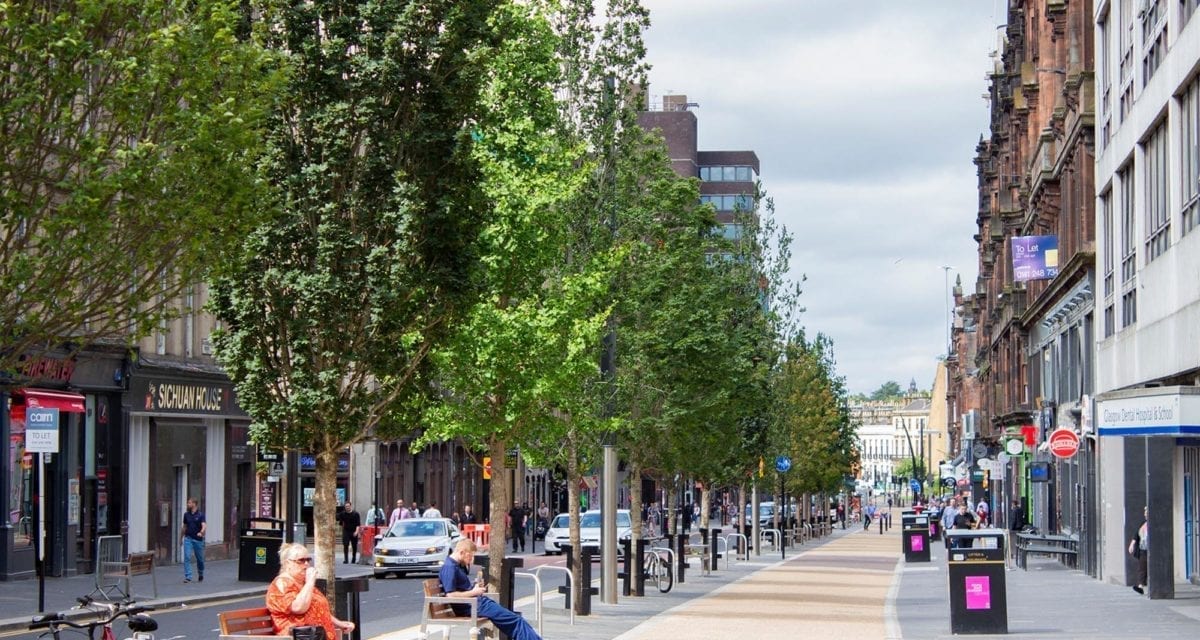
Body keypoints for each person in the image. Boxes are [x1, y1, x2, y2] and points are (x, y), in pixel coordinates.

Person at [440, 539, 541, 640]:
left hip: (477, 604)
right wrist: (474, 592)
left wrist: (475, 587)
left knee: (516, 620)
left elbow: (460, 589)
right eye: (470, 556)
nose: (471, 560)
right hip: (474, 606)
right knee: (516, 621)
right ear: (462, 552)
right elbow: (450, 595)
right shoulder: (450, 567)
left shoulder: (456, 566)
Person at [267, 543, 355, 639]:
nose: (306, 564)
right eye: (301, 560)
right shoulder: (282, 583)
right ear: (288, 563)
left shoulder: (303, 583)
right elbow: (298, 608)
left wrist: (339, 623)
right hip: (299, 636)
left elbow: (319, 609)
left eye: (308, 560)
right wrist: (310, 582)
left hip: (317, 635)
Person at [181, 497, 206, 583]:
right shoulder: (186, 515)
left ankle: (201, 573)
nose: (188, 504)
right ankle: (188, 576)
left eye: (189, 503)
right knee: (187, 557)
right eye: (188, 503)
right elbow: (184, 527)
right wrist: (181, 538)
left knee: (200, 559)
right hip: (188, 538)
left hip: (198, 539)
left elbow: (204, 525)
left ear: (194, 504)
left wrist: (201, 532)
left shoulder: (201, 515)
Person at [1128, 506, 1148, 595]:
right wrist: (1132, 544)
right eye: (1145, 512)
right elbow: (1136, 534)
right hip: (1143, 549)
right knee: (1142, 568)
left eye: (1147, 512)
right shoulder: (1143, 523)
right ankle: (1140, 586)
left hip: (1152, 550)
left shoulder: (1154, 523)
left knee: (1148, 568)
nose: (1145, 514)